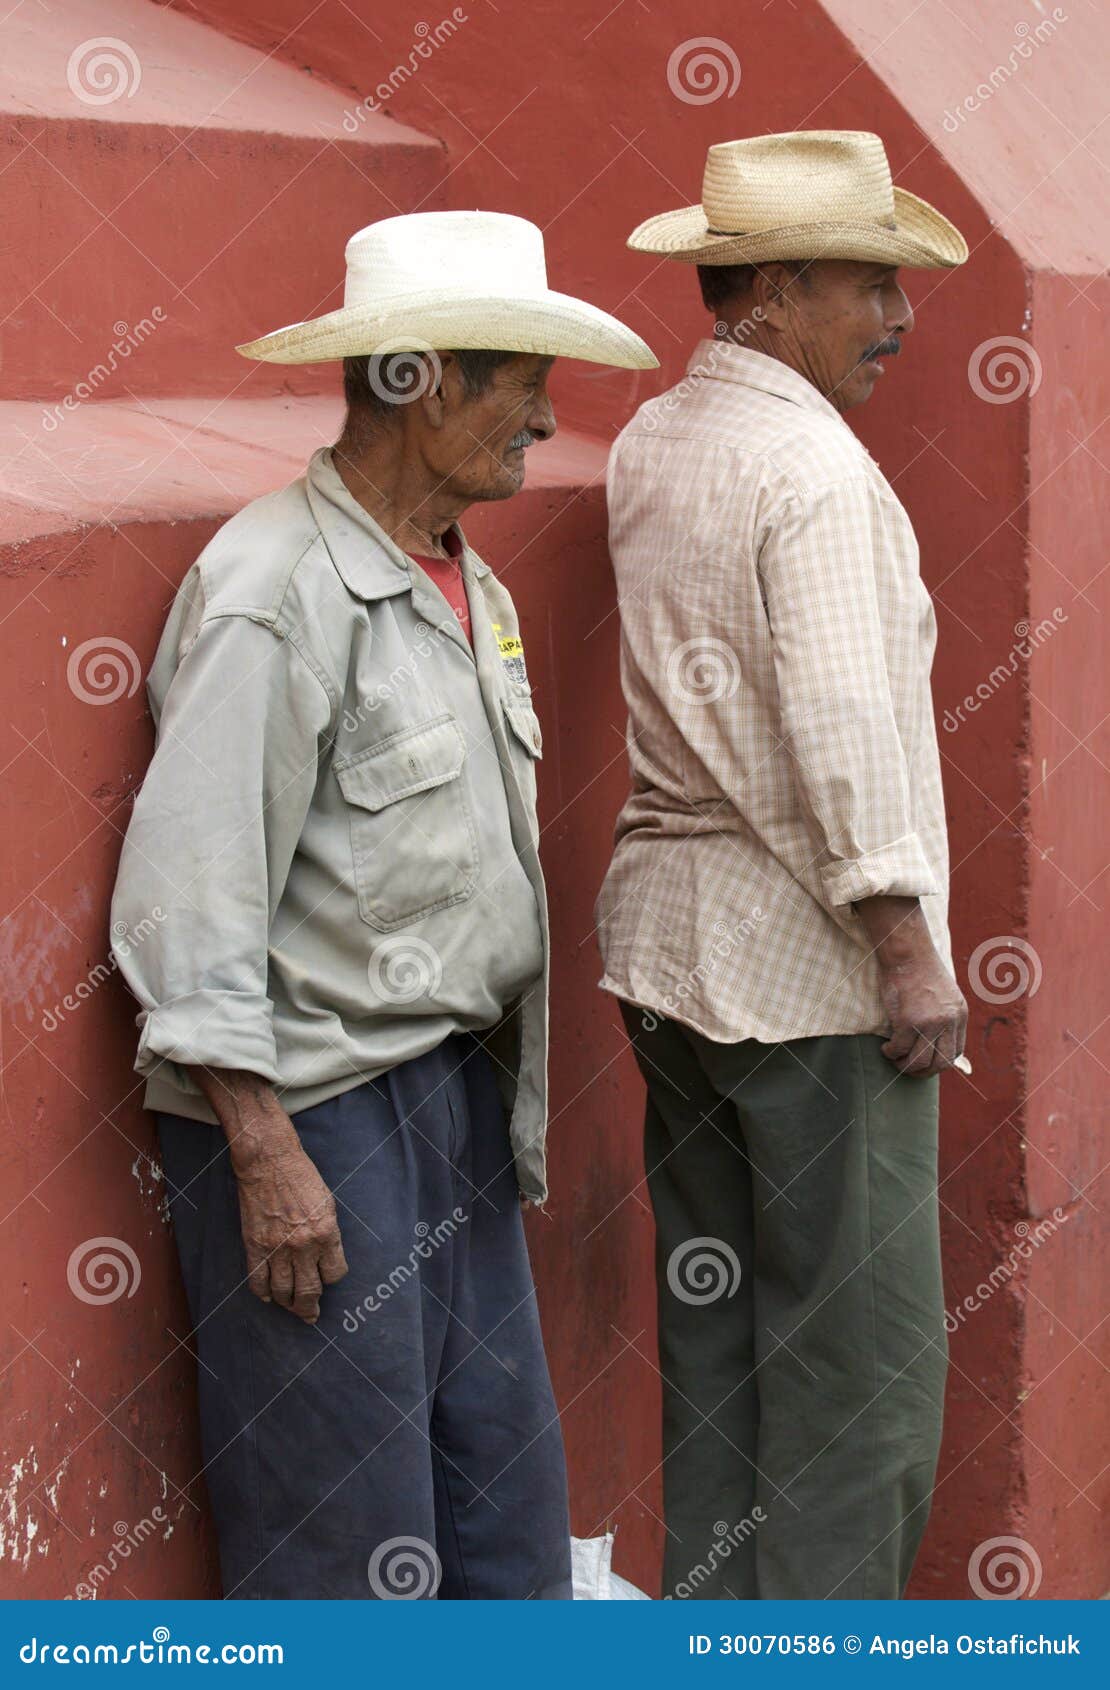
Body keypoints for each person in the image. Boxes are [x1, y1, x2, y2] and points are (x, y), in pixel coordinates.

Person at [110, 209, 655, 1599]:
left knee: (501, 1517)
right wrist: (262, 1148)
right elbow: (190, 893)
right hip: (312, 1114)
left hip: (449, 1097)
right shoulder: (274, 590)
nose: (544, 412)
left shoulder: (456, 575)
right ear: (416, 383)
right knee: (339, 1540)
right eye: (517, 375)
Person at [595, 132, 969, 1599]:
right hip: (813, 974)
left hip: (675, 957)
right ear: (769, 290)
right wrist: (904, 939)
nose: (896, 315)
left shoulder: (658, 437)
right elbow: (834, 717)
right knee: (857, 1376)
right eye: (868, 281)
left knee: (718, 1338)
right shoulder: (812, 468)